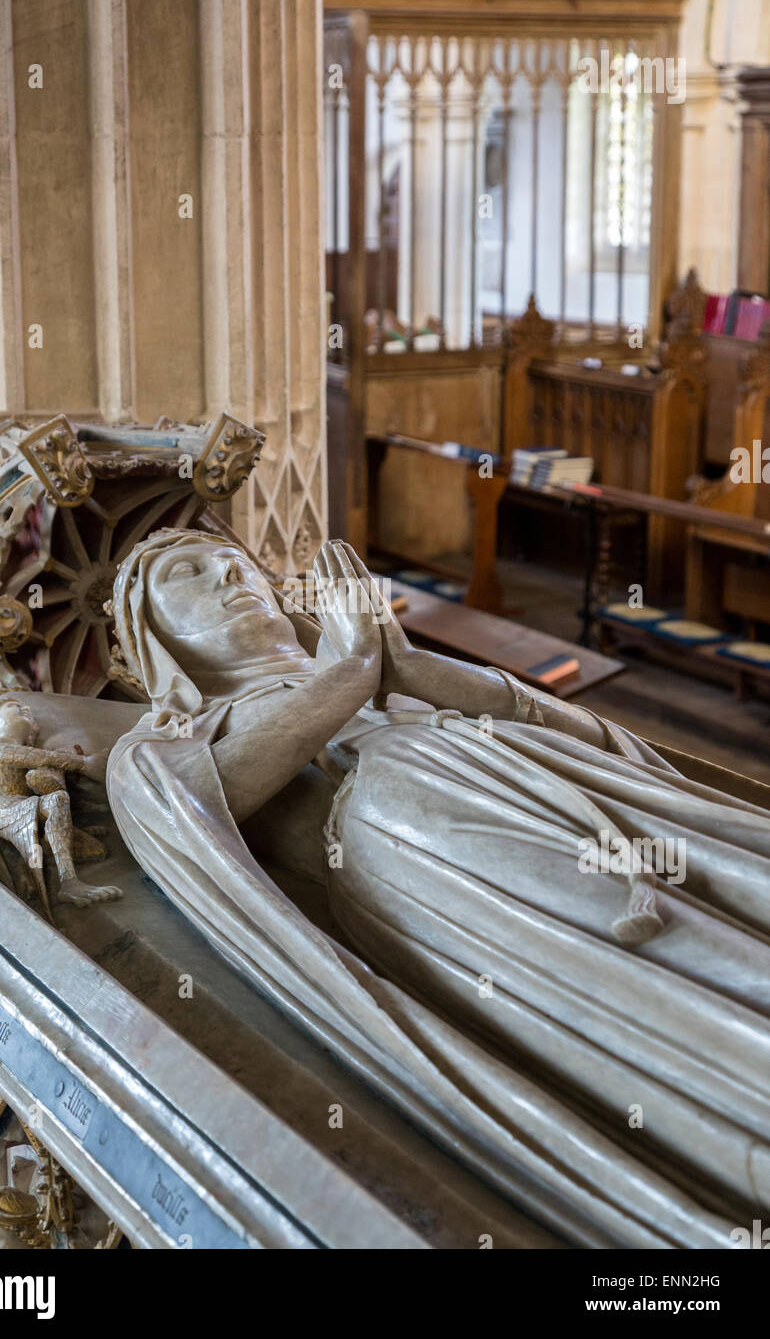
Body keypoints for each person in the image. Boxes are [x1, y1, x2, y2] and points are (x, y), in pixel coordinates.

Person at [106, 526, 770, 1248]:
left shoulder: (375, 664)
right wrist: (357, 667)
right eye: (189, 575)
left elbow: (583, 733)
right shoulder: (161, 746)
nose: (227, 578)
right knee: (675, 962)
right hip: (415, 836)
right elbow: (207, 801)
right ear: (150, 638)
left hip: (569, 787)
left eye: (237, 565)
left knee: (733, 890)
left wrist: (408, 666)